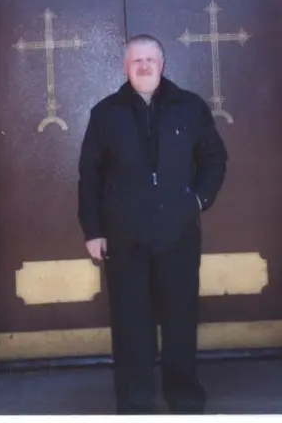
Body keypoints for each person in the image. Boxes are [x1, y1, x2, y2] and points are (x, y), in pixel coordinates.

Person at [78, 34, 227, 414]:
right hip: (124, 237)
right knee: (131, 324)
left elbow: (214, 158)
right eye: (136, 60)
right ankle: (135, 406)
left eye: (150, 59)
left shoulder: (189, 107)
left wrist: (197, 200)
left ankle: (185, 401)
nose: (144, 66)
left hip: (178, 233)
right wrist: (93, 230)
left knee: (180, 319)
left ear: (162, 64)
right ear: (125, 67)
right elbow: (90, 175)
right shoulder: (105, 113)